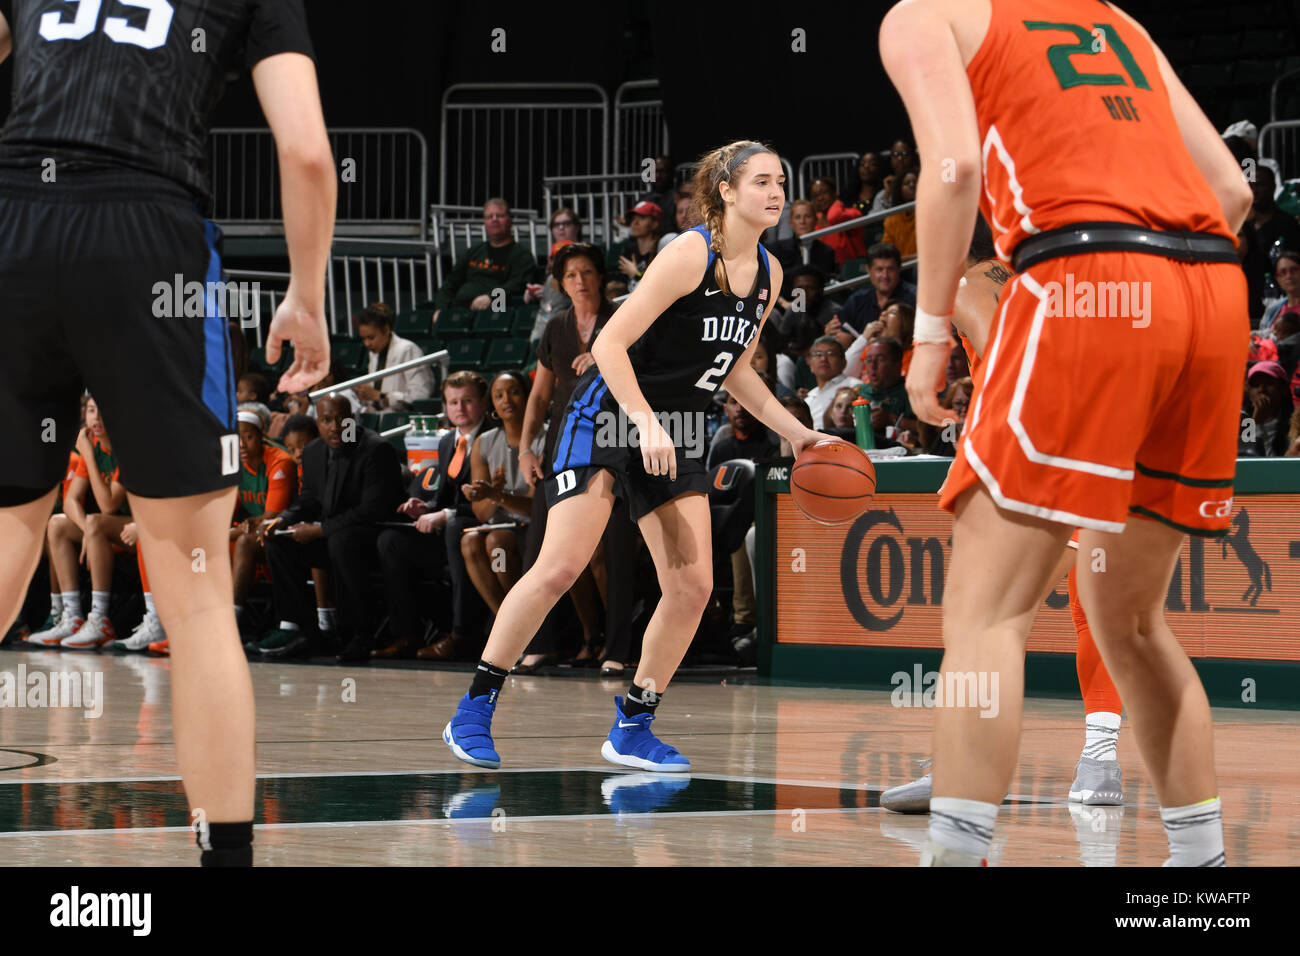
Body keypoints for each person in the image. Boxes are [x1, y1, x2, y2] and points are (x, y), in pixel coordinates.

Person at [883, 0, 1252, 866]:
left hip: (1088, 275)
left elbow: (952, 168)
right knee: (1129, 622)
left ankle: (957, 855)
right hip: (1212, 290)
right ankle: (1201, 884)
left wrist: (930, 332)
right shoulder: (1115, 18)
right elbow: (1232, 189)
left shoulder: (922, 16)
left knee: (985, 616)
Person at [0, 0, 333, 867]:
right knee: (194, 586)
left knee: (6, 531)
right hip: (147, 234)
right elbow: (304, 152)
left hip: (13, 221)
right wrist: (304, 292)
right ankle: (223, 855)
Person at [442, 140, 830, 773]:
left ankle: (632, 727)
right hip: (608, 413)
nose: (775, 191)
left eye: (780, 181)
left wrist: (798, 433)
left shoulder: (771, 274)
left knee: (693, 585)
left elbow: (734, 372)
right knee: (562, 565)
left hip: (675, 425)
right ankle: (475, 710)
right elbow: (612, 343)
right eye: (761, 180)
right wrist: (645, 423)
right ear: (726, 192)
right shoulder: (688, 253)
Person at [881, 222, 1127, 815]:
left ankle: (963, 767)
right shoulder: (1044, 275)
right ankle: (1101, 762)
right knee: (1096, 611)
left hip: (1048, 450)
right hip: (1114, 441)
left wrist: (977, 456)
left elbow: (1012, 369)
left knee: (984, 619)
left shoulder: (965, 282)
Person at [513, 242, 634, 675]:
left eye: (586, 272)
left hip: (617, 441)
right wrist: (526, 447)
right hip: (563, 444)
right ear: (559, 284)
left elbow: (645, 373)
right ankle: (542, 643)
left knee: (616, 548)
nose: (579, 281)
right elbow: (540, 395)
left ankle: (617, 648)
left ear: (600, 276)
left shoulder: (624, 317)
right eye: (570, 276)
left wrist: (605, 356)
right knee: (540, 545)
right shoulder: (556, 328)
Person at [256, 395, 404, 661]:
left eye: (341, 419)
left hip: (372, 536)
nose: (335, 426)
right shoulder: (313, 451)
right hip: (332, 533)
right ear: (318, 423)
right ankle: (305, 631)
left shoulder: (376, 449)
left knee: (341, 541)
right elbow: (309, 498)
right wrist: (285, 518)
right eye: (326, 420)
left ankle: (357, 634)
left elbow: (372, 511)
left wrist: (320, 530)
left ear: (353, 419)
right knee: (278, 541)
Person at [372, 371, 490, 660]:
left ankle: (464, 635)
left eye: (467, 401)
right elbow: (446, 495)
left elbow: (486, 500)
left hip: (481, 527)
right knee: (390, 541)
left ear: (484, 403)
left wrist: (446, 515)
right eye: (452, 402)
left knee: (456, 529)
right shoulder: (447, 440)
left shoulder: (493, 437)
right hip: (451, 527)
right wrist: (426, 507)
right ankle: (407, 634)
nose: (459, 409)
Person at [459, 371, 545, 617]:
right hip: (499, 527)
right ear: (492, 404)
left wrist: (497, 496)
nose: (506, 399)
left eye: (514, 392)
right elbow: (481, 513)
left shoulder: (545, 438)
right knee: (470, 541)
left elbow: (535, 507)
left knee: (497, 543)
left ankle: (520, 619)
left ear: (528, 396)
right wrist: (491, 494)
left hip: (534, 527)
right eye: (499, 395)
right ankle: (503, 619)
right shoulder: (483, 443)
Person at [229, 403, 297, 636]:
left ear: (262, 436)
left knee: (243, 542)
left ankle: (230, 620)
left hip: (281, 535)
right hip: (249, 533)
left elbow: (270, 517)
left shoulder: (280, 461)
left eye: (248, 436)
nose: (241, 445)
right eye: (236, 438)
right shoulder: (232, 463)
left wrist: (224, 533)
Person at [431, 199, 536, 325]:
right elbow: (450, 283)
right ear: (485, 222)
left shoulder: (521, 254)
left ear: (510, 220)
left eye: (500, 216)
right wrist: (440, 309)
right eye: (489, 217)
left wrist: (491, 297)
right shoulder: (472, 252)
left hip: (495, 313)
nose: (494, 219)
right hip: (458, 310)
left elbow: (518, 285)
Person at [353, 303, 435, 411]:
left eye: (371, 337)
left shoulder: (407, 349)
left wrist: (381, 396)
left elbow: (420, 395)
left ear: (386, 329)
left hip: (403, 420)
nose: (367, 344)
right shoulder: (373, 354)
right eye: (363, 339)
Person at [839, 241, 917, 337]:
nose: (885, 276)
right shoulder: (856, 301)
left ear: (899, 269)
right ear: (868, 270)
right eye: (879, 270)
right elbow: (844, 341)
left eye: (890, 269)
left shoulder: (916, 297)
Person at [766, 199, 837, 296]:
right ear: (791, 222)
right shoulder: (776, 249)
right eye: (797, 217)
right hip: (784, 303)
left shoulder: (827, 252)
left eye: (807, 216)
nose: (802, 221)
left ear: (815, 221)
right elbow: (769, 282)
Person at [804, 336, 863, 428]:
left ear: (844, 362)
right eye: (818, 354)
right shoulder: (809, 399)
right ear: (810, 364)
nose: (823, 359)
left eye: (831, 354)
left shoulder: (854, 386)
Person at [1239, 361, 1295, 457]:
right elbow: (1243, 457)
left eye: (1269, 383)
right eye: (1256, 385)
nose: (1261, 389)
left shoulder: (1295, 424)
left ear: (1283, 389)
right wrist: (1254, 421)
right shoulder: (1242, 420)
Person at [809, 177, 866, 265]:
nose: (820, 198)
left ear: (834, 193)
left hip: (852, 269)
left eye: (824, 192)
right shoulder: (813, 221)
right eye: (815, 195)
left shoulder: (852, 214)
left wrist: (837, 202)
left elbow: (834, 217)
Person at [611, 200, 663, 292]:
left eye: (642, 218)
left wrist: (636, 275)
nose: (635, 223)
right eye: (633, 219)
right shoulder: (629, 249)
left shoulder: (661, 250)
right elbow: (622, 282)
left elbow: (657, 289)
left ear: (655, 224)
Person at [881, 170, 918, 258]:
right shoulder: (891, 219)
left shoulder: (928, 214)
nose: (912, 185)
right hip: (899, 267)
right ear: (899, 189)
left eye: (915, 182)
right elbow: (887, 251)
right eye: (907, 183)